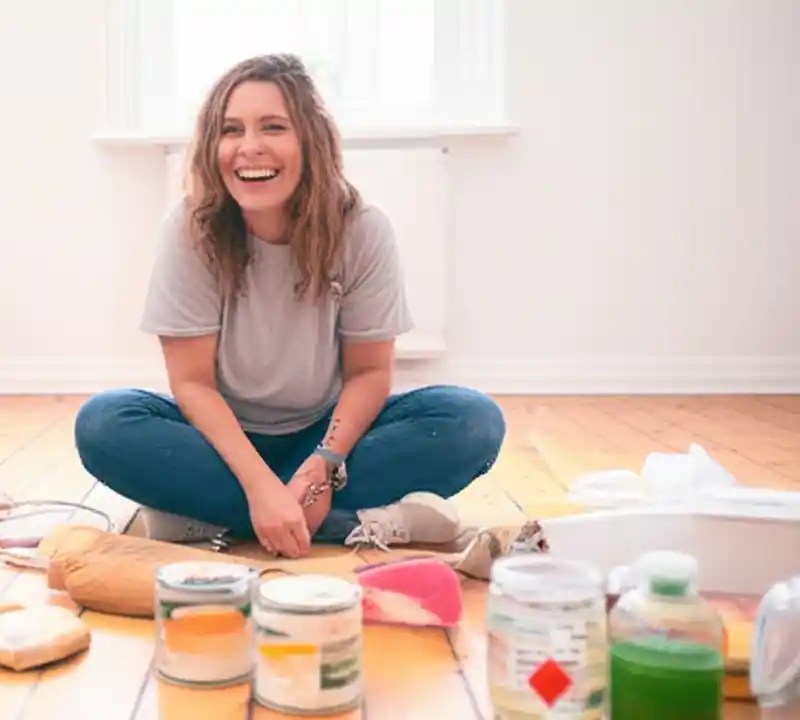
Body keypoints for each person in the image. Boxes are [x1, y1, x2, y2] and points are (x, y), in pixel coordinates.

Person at [74, 53, 506, 559]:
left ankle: (203, 518)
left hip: (326, 438)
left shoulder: (363, 229)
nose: (249, 147)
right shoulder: (190, 229)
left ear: (310, 140)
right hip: (221, 439)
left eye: (273, 127)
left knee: (472, 420)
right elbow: (192, 383)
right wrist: (261, 487)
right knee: (103, 424)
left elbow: (369, 372)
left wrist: (321, 468)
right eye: (230, 130)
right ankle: (353, 525)